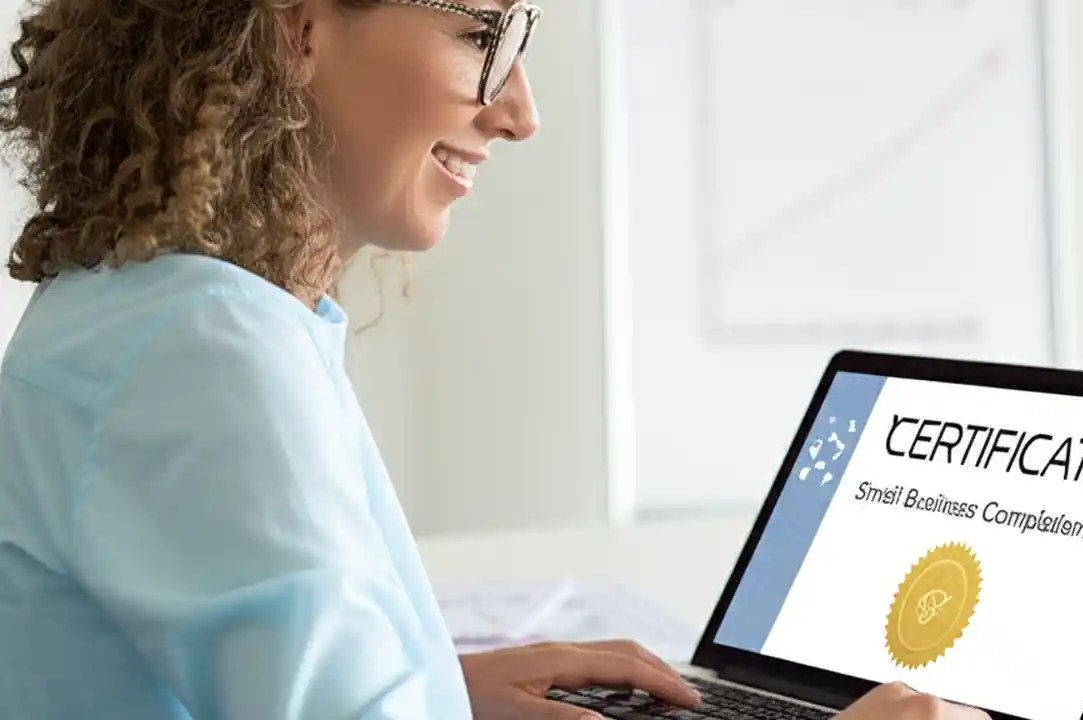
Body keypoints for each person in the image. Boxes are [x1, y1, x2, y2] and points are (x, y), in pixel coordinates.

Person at [0, 1, 989, 718]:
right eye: (481, 37)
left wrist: (439, 692)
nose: (518, 111)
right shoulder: (201, 351)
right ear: (296, 29)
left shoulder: (146, 311)